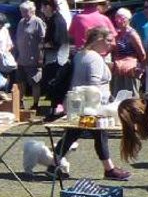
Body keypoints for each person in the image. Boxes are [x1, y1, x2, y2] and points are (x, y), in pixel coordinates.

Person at [50, 27, 130, 181]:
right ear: (99, 39)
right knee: (96, 134)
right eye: (108, 40)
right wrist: (101, 105)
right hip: (92, 106)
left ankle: (54, 164)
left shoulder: (80, 54)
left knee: (73, 135)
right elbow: (93, 85)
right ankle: (109, 169)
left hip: (80, 105)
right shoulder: (94, 58)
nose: (111, 44)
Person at [39, 0, 73, 118]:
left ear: (48, 7)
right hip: (55, 57)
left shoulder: (56, 20)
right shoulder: (53, 19)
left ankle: (55, 112)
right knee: (52, 85)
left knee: (54, 84)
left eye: (42, 7)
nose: (42, 10)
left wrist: (42, 45)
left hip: (57, 58)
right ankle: (53, 111)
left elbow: (56, 42)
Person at [14, 0, 45, 110]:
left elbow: (43, 40)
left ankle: (36, 105)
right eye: (22, 11)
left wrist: (41, 57)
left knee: (34, 82)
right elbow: (17, 39)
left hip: (33, 59)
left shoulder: (38, 22)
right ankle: (24, 104)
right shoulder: (21, 22)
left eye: (25, 11)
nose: (23, 13)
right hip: (22, 58)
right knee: (21, 82)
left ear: (32, 10)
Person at [109, 7, 146, 97]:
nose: (117, 20)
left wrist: (141, 68)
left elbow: (142, 54)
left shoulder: (132, 34)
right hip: (118, 69)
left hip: (130, 70)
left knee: (131, 95)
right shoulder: (118, 33)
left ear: (127, 19)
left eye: (120, 18)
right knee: (117, 95)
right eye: (116, 17)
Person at [0, 12, 16, 90]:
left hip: (4, 61)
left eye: (2, 25)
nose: (0, 26)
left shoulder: (4, 30)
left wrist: (5, 51)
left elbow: (10, 44)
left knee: (7, 83)